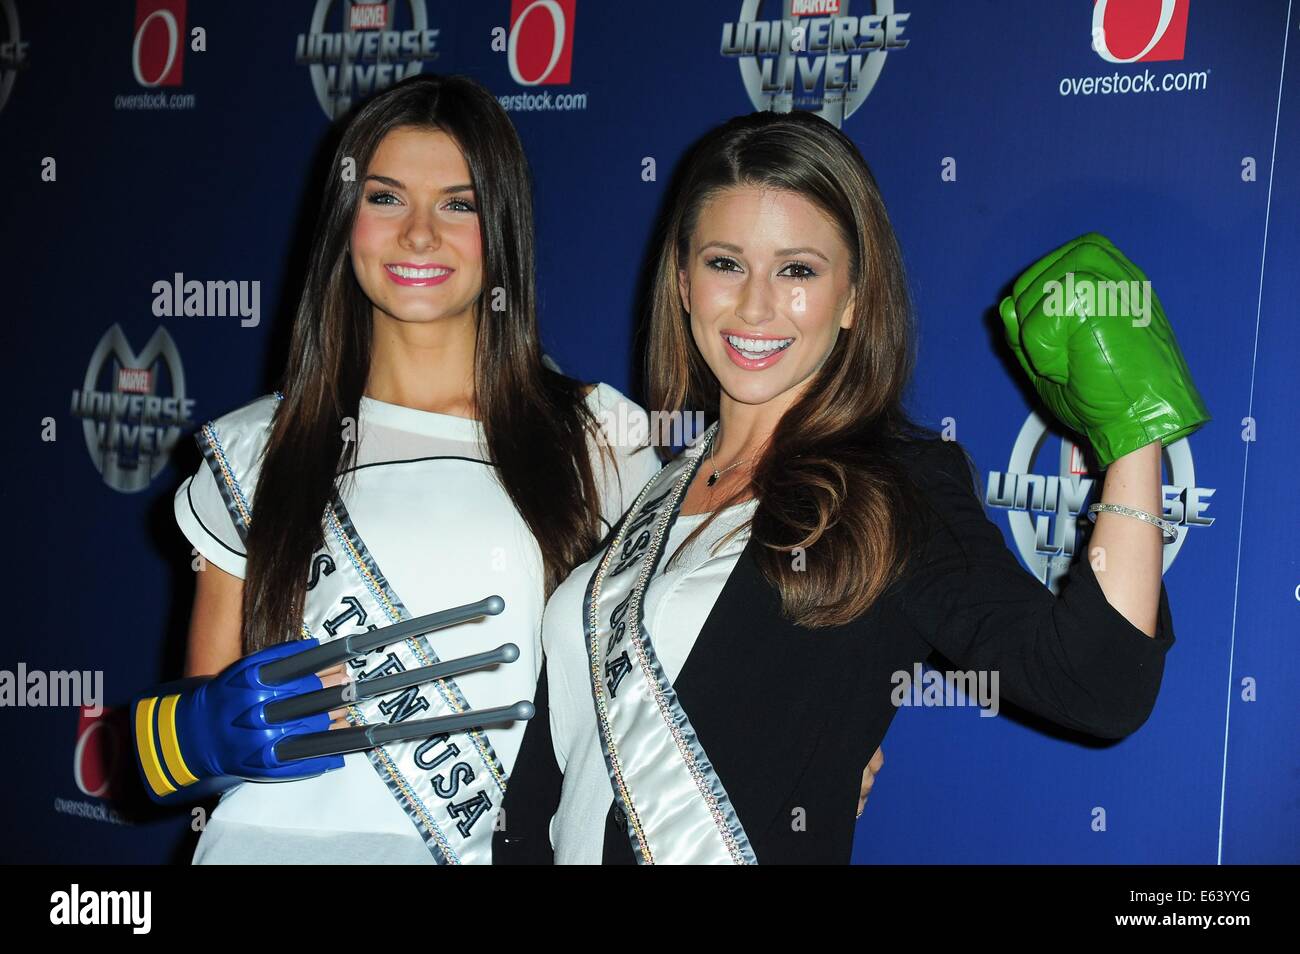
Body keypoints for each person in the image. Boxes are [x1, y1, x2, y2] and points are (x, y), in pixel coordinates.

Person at [494, 109, 1208, 864]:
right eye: (724, 263)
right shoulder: (652, 486)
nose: (756, 305)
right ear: (681, 280)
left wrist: (1133, 433)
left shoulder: (892, 488)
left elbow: (1094, 684)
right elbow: (554, 777)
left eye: (797, 270)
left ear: (854, 299)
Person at [168, 73, 660, 864]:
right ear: (346, 220)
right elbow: (176, 755)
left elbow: (667, 671)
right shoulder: (256, 447)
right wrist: (201, 732)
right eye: (387, 198)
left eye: (459, 204)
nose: (420, 234)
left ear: (501, 228)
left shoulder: (598, 440)